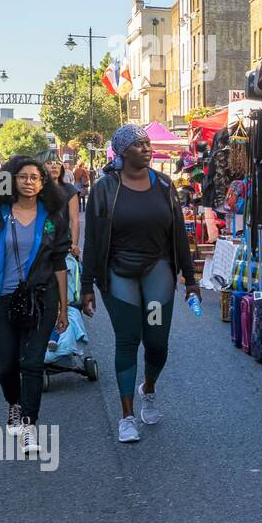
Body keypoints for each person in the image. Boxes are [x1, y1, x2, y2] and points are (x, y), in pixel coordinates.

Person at [81, 125, 199, 444]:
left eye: (147, 143)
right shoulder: (105, 189)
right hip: (118, 273)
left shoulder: (163, 185)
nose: (147, 148)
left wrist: (190, 279)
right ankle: (127, 416)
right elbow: (91, 240)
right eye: (138, 144)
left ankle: (148, 388)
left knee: (157, 341)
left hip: (157, 270)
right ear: (122, 153)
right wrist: (86, 286)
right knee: (128, 339)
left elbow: (178, 235)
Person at [0, 156, 71, 455]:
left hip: (42, 301)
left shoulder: (53, 219)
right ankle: (14, 404)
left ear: (43, 185)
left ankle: (29, 424)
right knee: (6, 364)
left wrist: (64, 308)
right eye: (23, 176)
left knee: (32, 363)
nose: (29, 182)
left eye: (36, 178)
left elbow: (60, 265)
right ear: (12, 180)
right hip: (1, 300)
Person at [45, 158, 82, 260]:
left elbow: (75, 220)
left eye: (57, 163)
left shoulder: (69, 189)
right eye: (49, 163)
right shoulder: (36, 190)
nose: (54, 166)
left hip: (63, 243)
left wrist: (74, 244)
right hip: (41, 243)